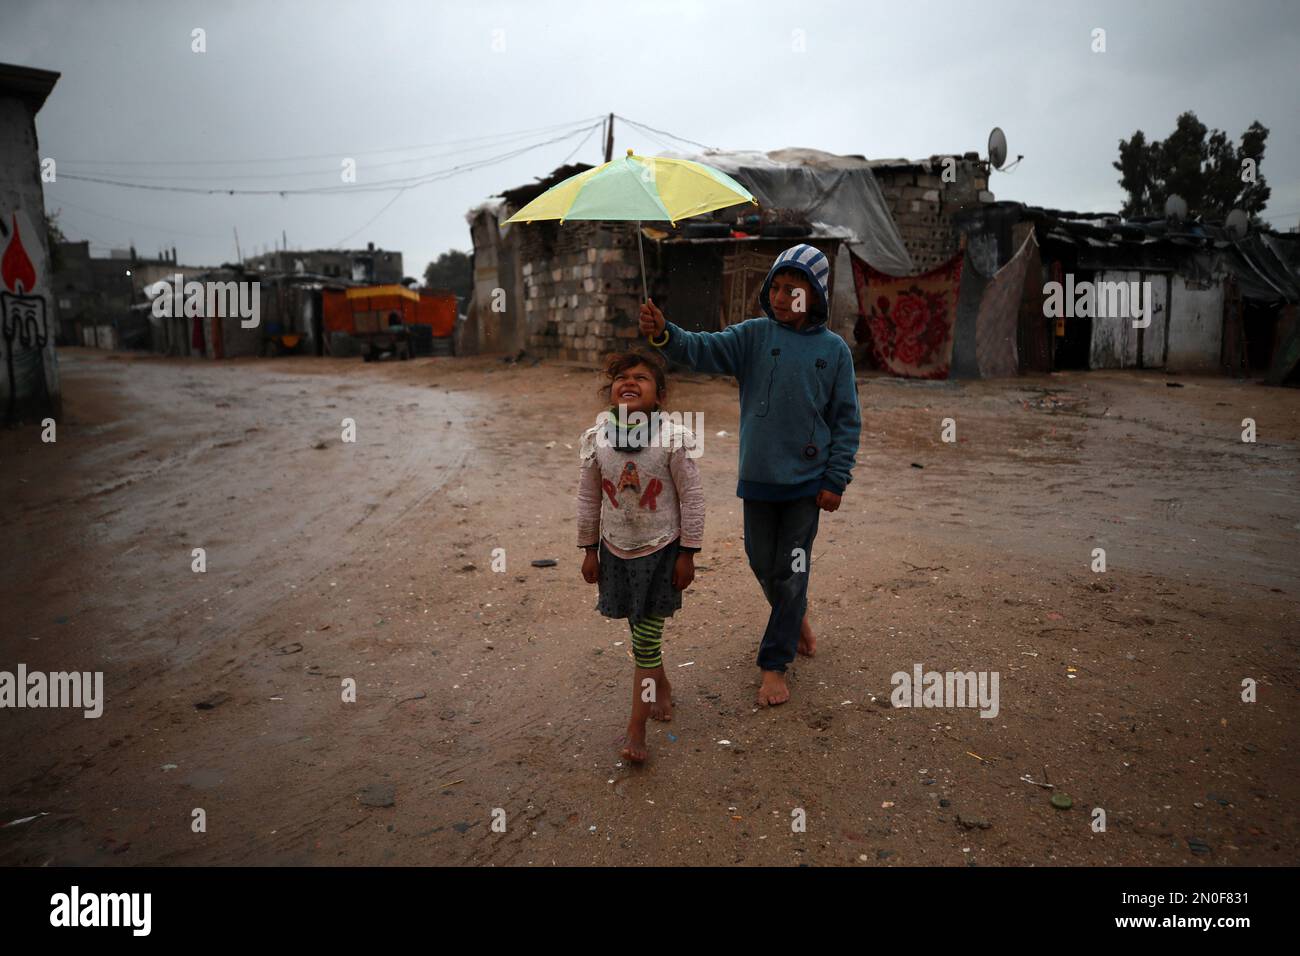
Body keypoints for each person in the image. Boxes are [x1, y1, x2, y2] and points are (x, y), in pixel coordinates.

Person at [638, 243, 861, 707]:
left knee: (792, 568)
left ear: (815, 295)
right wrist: (665, 334)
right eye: (775, 287)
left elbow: (846, 420)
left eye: (792, 289)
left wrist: (834, 479)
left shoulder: (834, 351)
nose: (780, 297)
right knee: (762, 561)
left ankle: (774, 665)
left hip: (807, 483)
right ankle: (791, 610)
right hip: (759, 479)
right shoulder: (754, 337)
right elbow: (702, 349)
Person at [576, 350, 705, 763]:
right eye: (621, 377)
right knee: (639, 630)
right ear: (611, 392)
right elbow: (588, 497)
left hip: (661, 551)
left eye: (641, 378)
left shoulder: (672, 438)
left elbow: (693, 499)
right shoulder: (597, 438)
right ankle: (661, 687)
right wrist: (588, 549)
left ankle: (636, 728)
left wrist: (688, 552)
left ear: (660, 395)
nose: (629, 382)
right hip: (615, 550)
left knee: (645, 641)